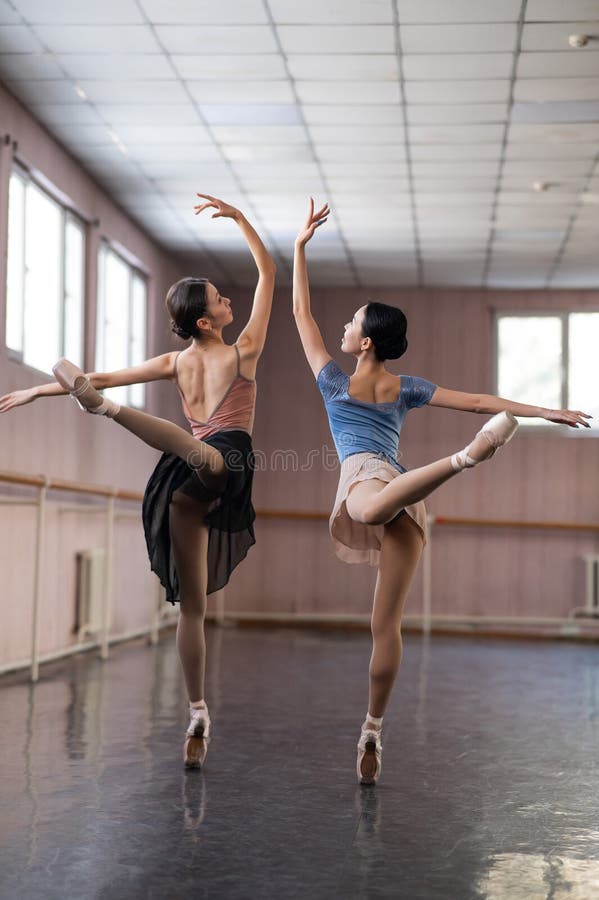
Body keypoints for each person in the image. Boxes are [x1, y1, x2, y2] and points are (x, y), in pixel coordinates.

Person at [292, 199, 591, 785]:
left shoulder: (333, 383)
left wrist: (299, 249)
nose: (344, 328)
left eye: (351, 322)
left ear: (365, 343)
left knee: (367, 513)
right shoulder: (405, 386)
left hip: (371, 479)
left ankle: (462, 458)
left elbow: (300, 313)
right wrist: (544, 411)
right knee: (386, 625)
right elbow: (479, 402)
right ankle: (372, 730)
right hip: (408, 491)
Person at [1, 194, 276, 770]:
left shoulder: (175, 362)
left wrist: (38, 390)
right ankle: (195, 712)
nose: (229, 300)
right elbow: (268, 271)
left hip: (181, 479)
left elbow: (96, 376)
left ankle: (198, 712)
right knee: (208, 486)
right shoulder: (244, 351)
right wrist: (241, 220)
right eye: (220, 299)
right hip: (214, 463)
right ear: (206, 322)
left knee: (193, 605)